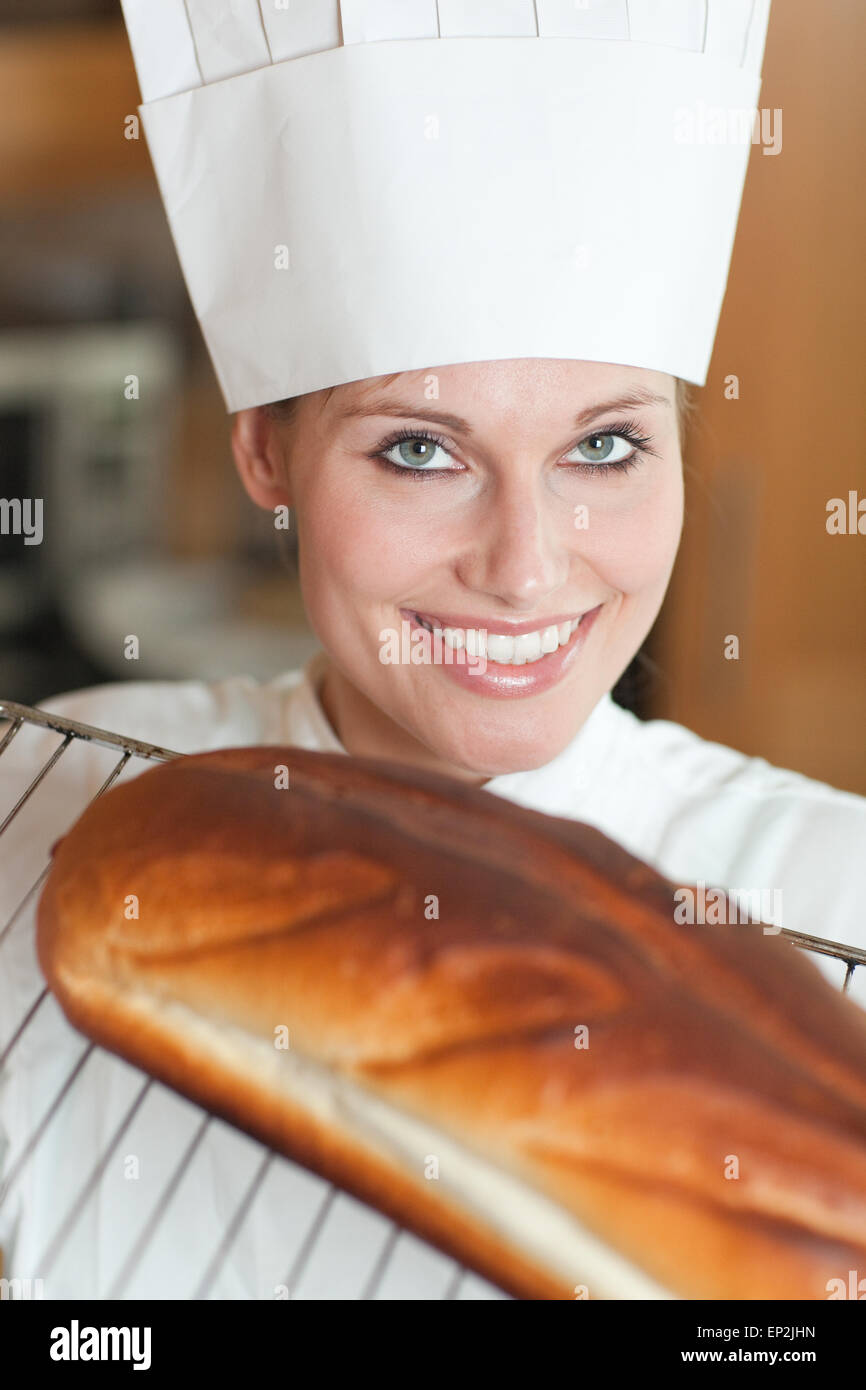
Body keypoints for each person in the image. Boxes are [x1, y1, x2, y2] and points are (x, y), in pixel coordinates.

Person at [2, 0, 863, 1302]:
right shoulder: (58, 798)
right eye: (420, 448)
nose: (524, 565)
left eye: (604, 445)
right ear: (264, 451)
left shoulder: (830, 891)